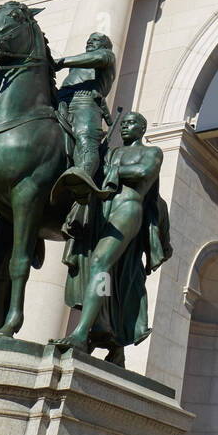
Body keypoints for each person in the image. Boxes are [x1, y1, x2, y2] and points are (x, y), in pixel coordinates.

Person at [54, 112, 171, 364]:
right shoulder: (112, 153)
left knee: (100, 262)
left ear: (142, 128)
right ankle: (112, 340)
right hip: (102, 212)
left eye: (131, 124)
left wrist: (108, 168)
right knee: (108, 277)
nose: (126, 127)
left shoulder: (152, 153)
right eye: (124, 123)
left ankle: (81, 333)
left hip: (128, 209)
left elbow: (142, 172)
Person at [53, 32, 116, 199]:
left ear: (104, 45)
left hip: (85, 102)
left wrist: (61, 62)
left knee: (85, 138)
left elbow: (97, 59)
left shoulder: (106, 56)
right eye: (88, 40)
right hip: (61, 99)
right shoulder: (78, 63)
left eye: (95, 40)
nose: (90, 42)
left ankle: (83, 176)